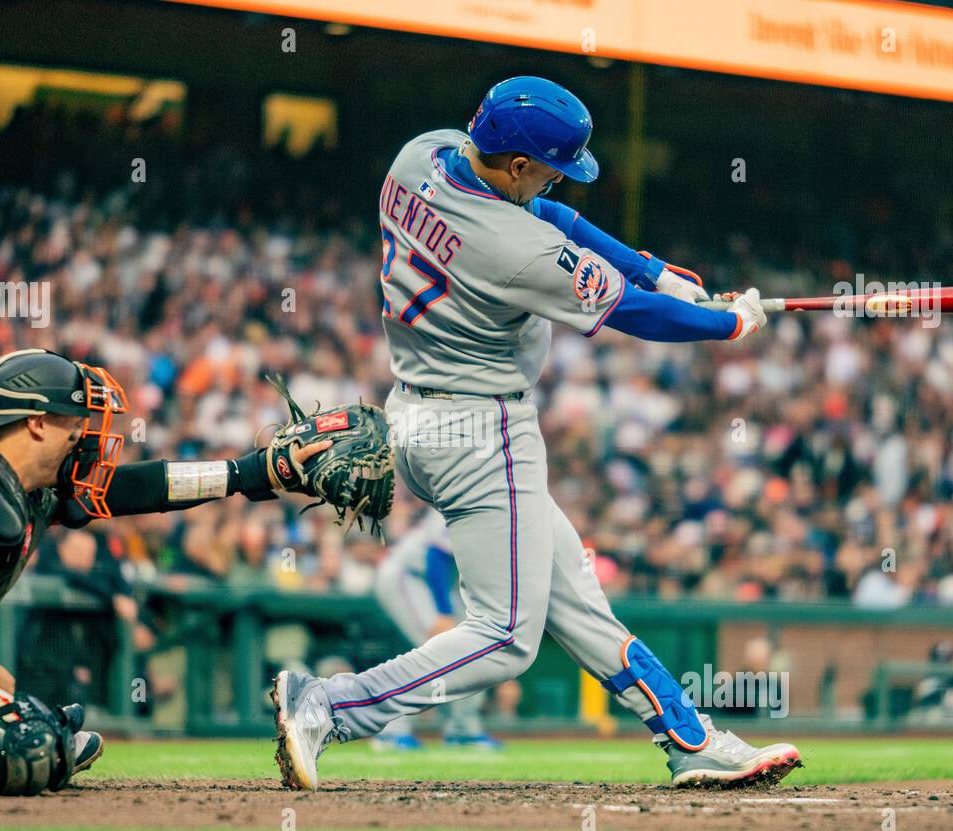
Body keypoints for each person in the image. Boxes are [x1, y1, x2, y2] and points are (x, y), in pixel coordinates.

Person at [272, 77, 800, 791]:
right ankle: (332, 705)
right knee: (504, 638)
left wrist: (648, 267)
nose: (558, 178)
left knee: (575, 601)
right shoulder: (513, 248)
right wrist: (729, 322)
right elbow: (634, 316)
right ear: (518, 163)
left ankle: (690, 738)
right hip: (480, 430)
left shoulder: (420, 154)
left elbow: (554, 215)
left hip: (415, 412)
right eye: (551, 164)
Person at [0, 347, 328, 796]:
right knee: (25, 731)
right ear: (39, 423)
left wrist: (256, 472)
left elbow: (142, 487)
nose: (89, 434)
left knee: (38, 728)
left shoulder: (11, 484)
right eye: (78, 419)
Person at [372, 509, 500, 749]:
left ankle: (464, 730)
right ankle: (391, 730)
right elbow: (436, 557)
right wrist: (443, 612)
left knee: (475, 646)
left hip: (444, 586)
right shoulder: (461, 496)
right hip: (409, 575)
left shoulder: (500, 504)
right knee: (434, 650)